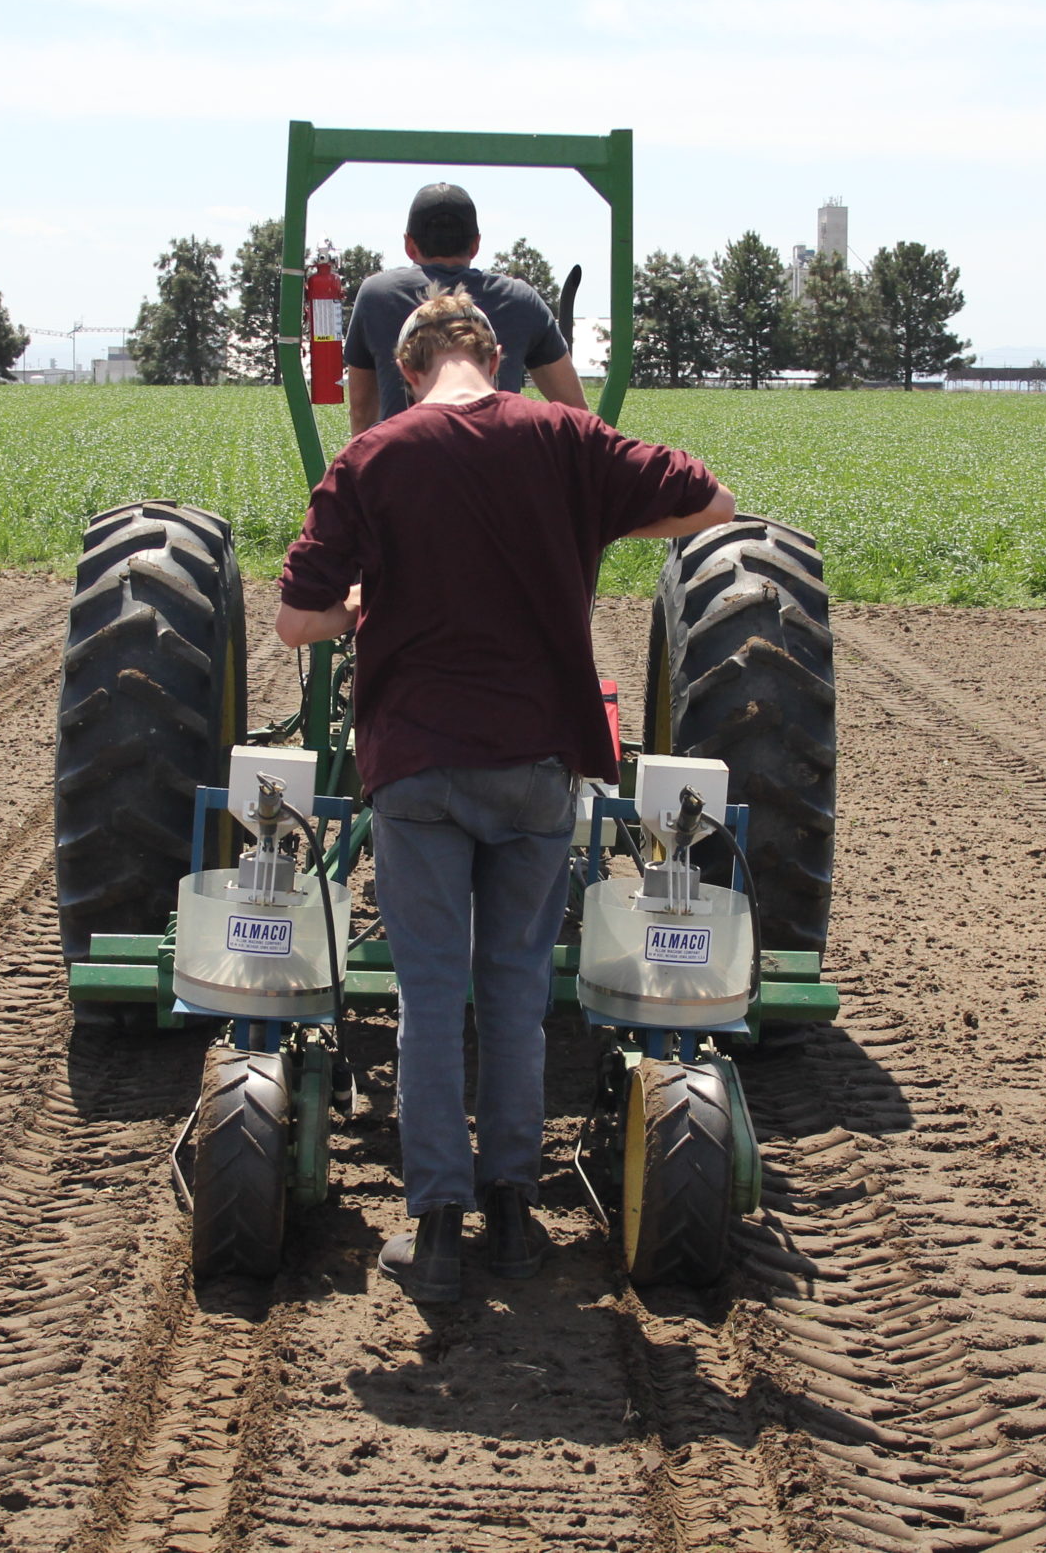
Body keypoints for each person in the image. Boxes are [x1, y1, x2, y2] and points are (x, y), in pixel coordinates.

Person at [277, 287, 738, 1304]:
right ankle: (516, 1217)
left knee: (432, 999)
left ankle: (436, 1232)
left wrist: (357, 606)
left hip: (417, 768)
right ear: (499, 356)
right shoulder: (566, 439)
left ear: (405, 371)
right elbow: (712, 504)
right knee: (521, 995)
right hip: (537, 764)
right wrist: (591, 527)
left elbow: (294, 625)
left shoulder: (373, 457)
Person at [342, 181, 593, 438]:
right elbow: (575, 410)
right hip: (497, 469)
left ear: (409, 245)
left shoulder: (376, 295)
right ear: (475, 244)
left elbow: (361, 411)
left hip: (406, 469)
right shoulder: (520, 299)